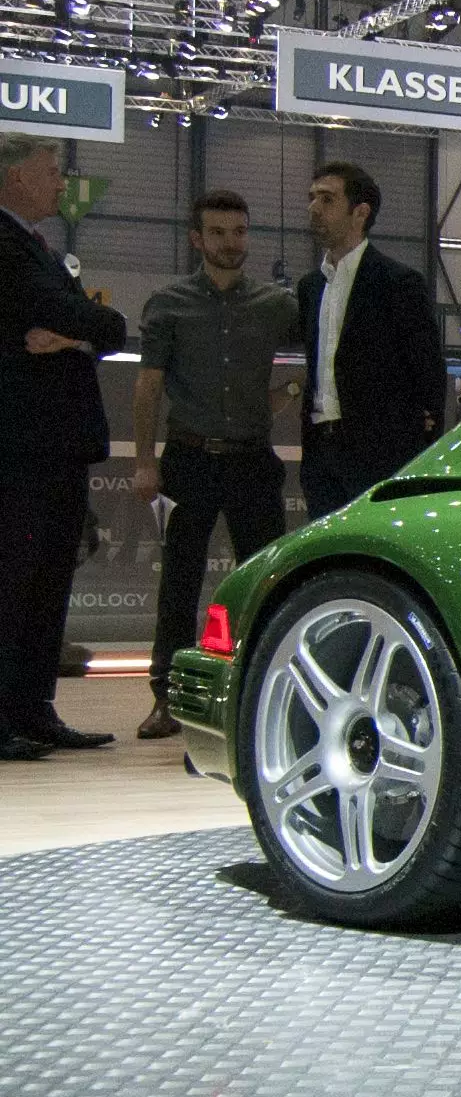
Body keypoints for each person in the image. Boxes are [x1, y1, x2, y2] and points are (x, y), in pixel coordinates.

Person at [131, 190, 302, 740]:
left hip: (253, 460)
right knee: (179, 585)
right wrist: (142, 460)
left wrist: (287, 391)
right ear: (197, 239)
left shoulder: (276, 304)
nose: (233, 243)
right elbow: (149, 384)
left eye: (241, 231)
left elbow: (324, 357)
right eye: (221, 233)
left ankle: (264, 693)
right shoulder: (167, 302)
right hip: (187, 459)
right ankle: (166, 698)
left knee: (264, 582)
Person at [0, 134, 127, 759]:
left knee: (48, 584)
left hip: (55, 447)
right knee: (13, 581)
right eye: (51, 171)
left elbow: (105, 325)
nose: (60, 182)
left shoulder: (37, 248)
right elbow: (81, 316)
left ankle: (32, 707)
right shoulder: (5, 247)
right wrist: (84, 328)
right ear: (15, 177)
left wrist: (75, 336)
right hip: (19, 447)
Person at [297, 161, 446, 518]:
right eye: (312, 197)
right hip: (320, 452)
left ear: (359, 212)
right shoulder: (310, 287)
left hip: (381, 455)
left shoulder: (398, 283)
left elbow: (428, 373)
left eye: (327, 199)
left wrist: (416, 445)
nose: (313, 207)